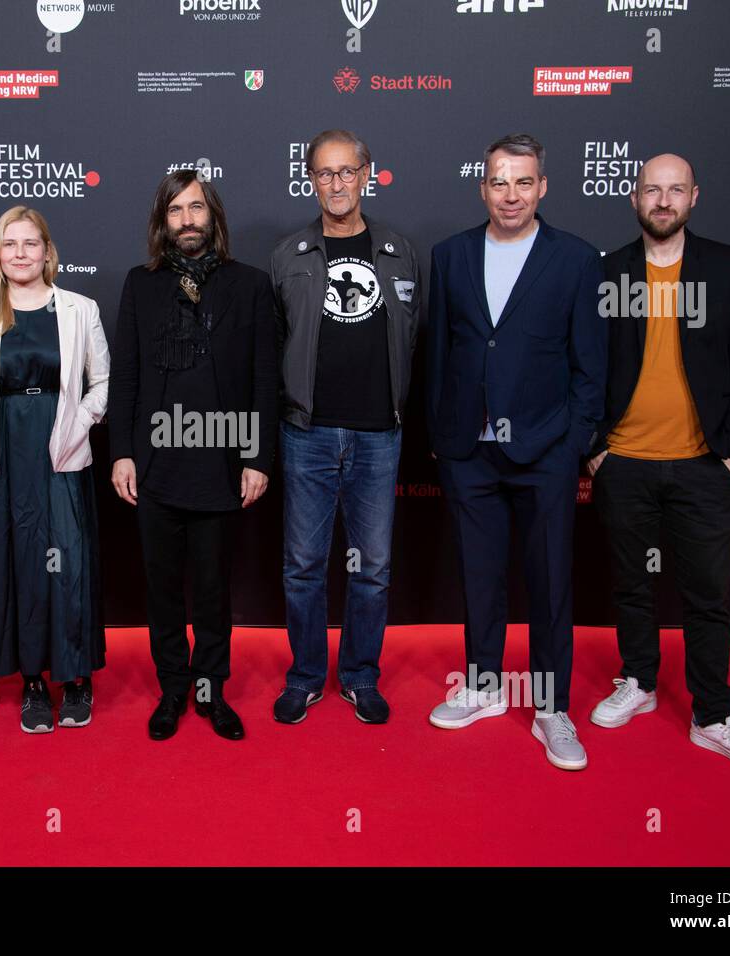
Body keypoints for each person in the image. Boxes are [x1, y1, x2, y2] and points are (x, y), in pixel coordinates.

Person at [587, 153, 730, 777]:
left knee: (706, 595)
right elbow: (586, 368)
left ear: (694, 197)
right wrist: (598, 452)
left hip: (703, 466)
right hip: (626, 464)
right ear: (634, 197)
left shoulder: (727, 268)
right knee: (631, 586)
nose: (663, 201)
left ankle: (713, 716)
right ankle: (639, 680)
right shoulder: (611, 271)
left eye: (675, 190)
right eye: (652, 190)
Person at [426, 133, 606, 771]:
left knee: (551, 580)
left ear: (543, 187)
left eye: (523, 182)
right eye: (499, 182)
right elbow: (439, 353)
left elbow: (591, 365)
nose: (511, 194)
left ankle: (552, 708)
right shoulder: (449, 256)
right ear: (483, 187)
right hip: (469, 452)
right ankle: (482, 687)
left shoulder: (578, 260)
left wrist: (575, 442)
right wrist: (443, 438)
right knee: (479, 576)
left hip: (546, 451)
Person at [108, 170, 278, 741]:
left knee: (211, 590)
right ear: (163, 221)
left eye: (197, 208)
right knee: (162, 590)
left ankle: (211, 690)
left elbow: (263, 378)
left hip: (222, 464)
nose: (187, 219)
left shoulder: (250, 285)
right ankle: (173, 689)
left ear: (214, 218)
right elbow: (125, 375)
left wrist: (257, 458)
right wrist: (122, 453)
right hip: (156, 463)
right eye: (176, 210)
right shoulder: (141, 283)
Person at [269, 129, 423, 725]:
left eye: (346, 171)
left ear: (367, 174)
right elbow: (279, 343)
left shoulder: (399, 251)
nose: (336, 184)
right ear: (311, 180)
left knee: (374, 568)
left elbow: (412, 335)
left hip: (378, 436)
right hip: (307, 433)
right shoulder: (288, 256)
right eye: (324, 174)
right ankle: (306, 676)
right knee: (303, 566)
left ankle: (360, 675)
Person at [0, 206, 108, 733]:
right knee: (18, 568)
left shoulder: (81, 309)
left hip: (61, 454)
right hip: (2, 462)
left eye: (30, 243)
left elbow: (103, 384)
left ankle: (77, 678)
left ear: (47, 251)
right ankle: (35, 681)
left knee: (69, 565)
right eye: (10, 244)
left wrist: (77, 424)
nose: (20, 253)